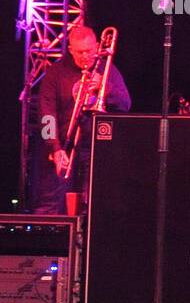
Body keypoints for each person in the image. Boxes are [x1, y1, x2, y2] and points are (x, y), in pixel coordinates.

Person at [34, 24, 131, 215]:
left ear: (97, 47)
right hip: (63, 146)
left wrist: (107, 89)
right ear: (70, 50)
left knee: (94, 207)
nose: (85, 57)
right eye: (79, 52)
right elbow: (46, 114)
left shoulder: (108, 70)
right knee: (50, 205)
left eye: (89, 51)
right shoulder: (55, 73)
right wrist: (54, 147)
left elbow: (126, 104)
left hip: (95, 149)